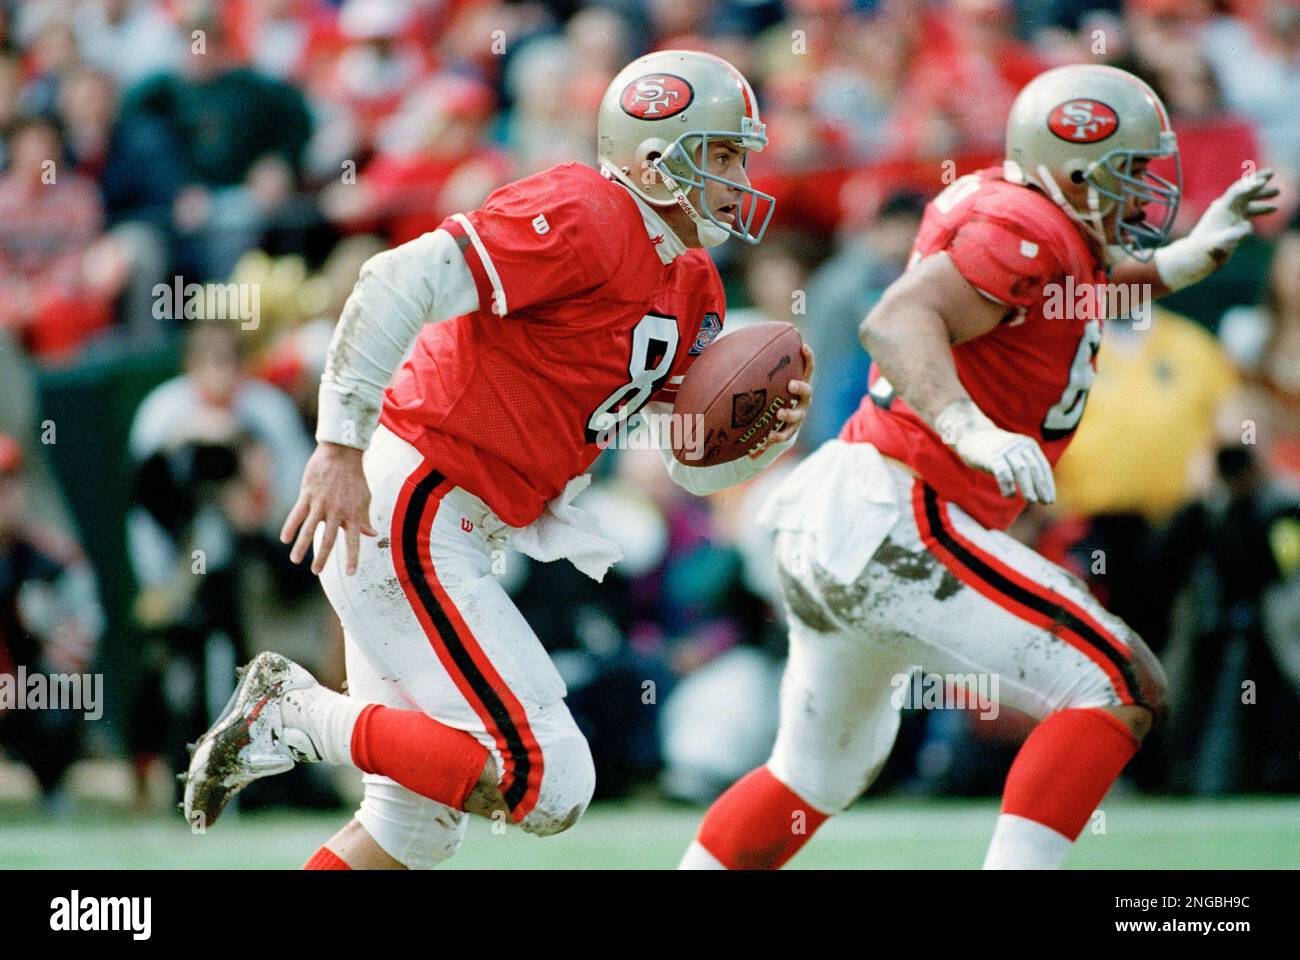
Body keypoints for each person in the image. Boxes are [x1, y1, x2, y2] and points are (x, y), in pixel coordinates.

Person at [181, 50, 815, 870]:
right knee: (549, 780)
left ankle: (299, 720)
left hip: (455, 525)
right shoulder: (585, 212)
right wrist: (337, 443)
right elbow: (395, 277)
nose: (740, 177)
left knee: (411, 828)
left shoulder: (694, 284)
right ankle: (295, 715)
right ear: (657, 159)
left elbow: (687, 462)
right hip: (418, 502)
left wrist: (754, 438)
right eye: (723, 154)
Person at [678, 63, 1278, 870]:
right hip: (899, 513)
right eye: (1127, 173)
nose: (1142, 194)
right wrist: (969, 427)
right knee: (1118, 683)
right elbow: (897, 320)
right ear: (1070, 168)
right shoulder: (1025, 225)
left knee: (815, 773)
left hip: (847, 513)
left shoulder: (1033, 219)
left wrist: (1182, 261)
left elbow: (1069, 291)